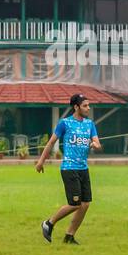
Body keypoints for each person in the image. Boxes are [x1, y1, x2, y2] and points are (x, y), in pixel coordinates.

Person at [36, 93, 101, 246]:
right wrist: (41, 161)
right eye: (85, 105)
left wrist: (95, 144)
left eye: (88, 105)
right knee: (75, 204)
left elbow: (97, 142)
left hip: (83, 169)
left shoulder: (89, 124)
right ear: (76, 107)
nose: (88, 108)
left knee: (85, 204)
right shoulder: (64, 123)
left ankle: (69, 236)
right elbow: (51, 143)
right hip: (69, 168)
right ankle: (49, 223)